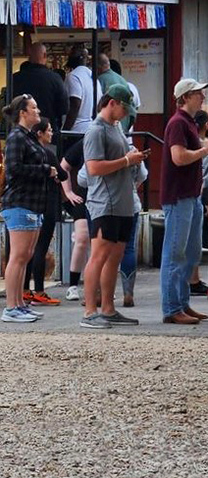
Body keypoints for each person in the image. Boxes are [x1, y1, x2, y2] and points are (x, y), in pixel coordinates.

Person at [80, 85, 146, 329]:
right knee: (98, 256)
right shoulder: (95, 130)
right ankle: (89, 311)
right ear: (112, 103)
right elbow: (94, 168)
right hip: (104, 203)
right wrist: (127, 160)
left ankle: (108, 308)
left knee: (114, 258)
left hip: (122, 202)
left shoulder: (116, 127)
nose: (125, 113)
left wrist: (132, 158)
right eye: (123, 107)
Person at [0, 96, 56, 323]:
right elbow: (13, 168)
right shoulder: (16, 137)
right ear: (23, 112)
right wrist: (45, 170)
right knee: (18, 256)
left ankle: (20, 303)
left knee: (25, 256)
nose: (38, 111)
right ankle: (10, 306)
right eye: (34, 107)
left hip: (33, 202)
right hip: (20, 201)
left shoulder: (29, 137)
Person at [160, 78, 208, 325]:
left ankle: (182, 303)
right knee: (175, 254)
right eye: (198, 92)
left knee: (190, 253)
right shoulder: (178, 123)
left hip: (191, 196)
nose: (202, 96)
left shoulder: (187, 122)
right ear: (186, 96)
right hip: (179, 197)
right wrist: (203, 150)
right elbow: (178, 158)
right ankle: (171, 307)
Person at [22, 117, 67, 305]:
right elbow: (63, 175)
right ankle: (39, 290)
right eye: (48, 130)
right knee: (40, 247)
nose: (51, 133)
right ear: (39, 133)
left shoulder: (29, 152)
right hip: (47, 201)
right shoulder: (47, 154)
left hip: (31, 202)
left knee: (28, 249)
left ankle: (25, 289)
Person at [12, 42, 69, 134]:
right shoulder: (55, 78)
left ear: (29, 57)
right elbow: (64, 108)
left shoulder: (15, 79)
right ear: (45, 55)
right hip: (47, 132)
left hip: (22, 132)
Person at [118, 136, 148, 307]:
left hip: (107, 203)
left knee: (104, 250)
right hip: (131, 202)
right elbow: (143, 175)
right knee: (128, 248)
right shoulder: (133, 150)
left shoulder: (102, 146)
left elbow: (83, 179)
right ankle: (128, 292)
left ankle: (100, 294)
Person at [59, 138, 89, 301]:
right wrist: (69, 192)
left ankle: (100, 286)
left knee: (103, 243)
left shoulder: (116, 140)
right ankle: (73, 285)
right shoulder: (85, 142)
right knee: (81, 239)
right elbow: (64, 166)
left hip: (106, 196)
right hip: (84, 196)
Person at [189, 109, 208, 296]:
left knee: (193, 241)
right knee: (194, 241)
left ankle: (192, 279)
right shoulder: (203, 146)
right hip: (199, 194)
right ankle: (192, 279)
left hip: (193, 194)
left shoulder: (190, 144)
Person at [63, 48, 102, 135]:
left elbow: (75, 104)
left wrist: (65, 131)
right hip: (93, 128)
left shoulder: (73, 77)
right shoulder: (94, 78)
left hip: (77, 130)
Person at [98, 54, 135, 132]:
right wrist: (126, 130)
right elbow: (133, 112)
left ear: (98, 67)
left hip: (107, 130)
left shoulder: (100, 80)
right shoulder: (123, 80)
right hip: (122, 132)